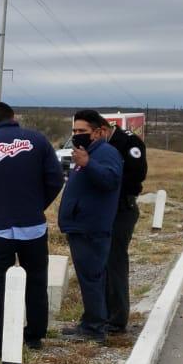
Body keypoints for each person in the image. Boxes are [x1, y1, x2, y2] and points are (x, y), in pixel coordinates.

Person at [0, 102, 64, 364]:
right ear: (14, 118)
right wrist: (37, 205)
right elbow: (55, 179)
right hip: (34, 227)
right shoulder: (39, 141)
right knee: (36, 281)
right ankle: (35, 336)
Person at [58, 110, 124, 342]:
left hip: (91, 227)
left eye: (82, 131)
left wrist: (88, 164)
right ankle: (91, 321)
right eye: (74, 130)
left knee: (92, 277)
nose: (77, 134)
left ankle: (94, 328)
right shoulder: (85, 153)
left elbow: (111, 180)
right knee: (89, 277)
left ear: (98, 132)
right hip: (80, 226)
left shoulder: (106, 153)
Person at [98, 123, 148, 334]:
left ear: (102, 129)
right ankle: (102, 313)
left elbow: (137, 175)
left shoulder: (129, 142)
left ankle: (117, 319)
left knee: (115, 261)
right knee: (102, 263)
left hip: (121, 208)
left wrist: (108, 180)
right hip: (105, 210)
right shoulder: (102, 145)